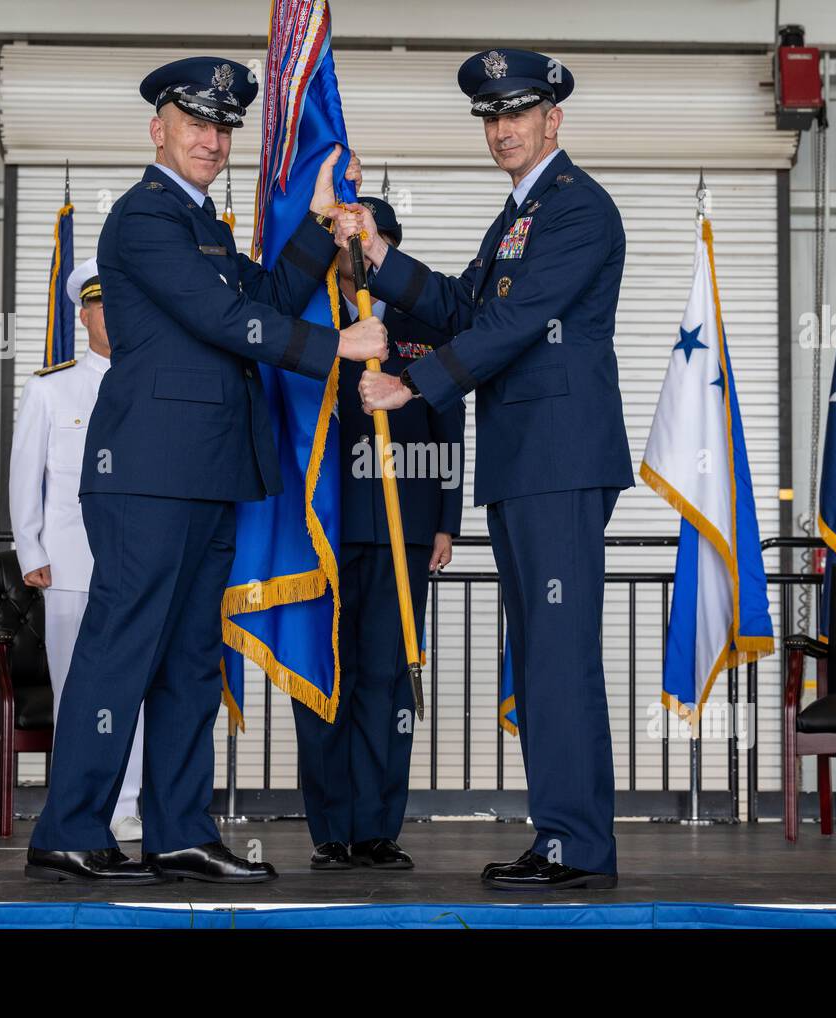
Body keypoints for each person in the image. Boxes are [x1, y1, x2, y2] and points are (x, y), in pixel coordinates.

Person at [25, 56, 386, 885]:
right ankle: (70, 828)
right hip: (150, 472)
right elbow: (230, 320)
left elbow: (262, 291)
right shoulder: (144, 218)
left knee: (192, 659)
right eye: (197, 124)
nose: (213, 140)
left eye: (224, 128)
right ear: (159, 129)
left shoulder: (206, 226)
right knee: (122, 651)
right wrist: (341, 346)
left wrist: (320, 223)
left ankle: (178, 830)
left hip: (209, 471)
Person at [355, 49, 632, 889]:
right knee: (542, 653)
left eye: (518, 112)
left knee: (558, 655)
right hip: (526, 462)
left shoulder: (577, 209)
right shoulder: (518, 215)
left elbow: (508, 327)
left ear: (555, 118)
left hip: (560, 459)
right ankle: (561, 837)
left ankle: (575, 844)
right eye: (490, 116)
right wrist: (375, 255)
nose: (503, 127)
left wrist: (413, 382)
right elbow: (461, 308)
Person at [294, 196, 465, 872]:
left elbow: (449, 421)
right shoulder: (309, 320)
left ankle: (377, 829)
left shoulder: (425, 319)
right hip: (325, 528)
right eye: (351, 239)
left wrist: (446, 522)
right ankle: (331, 829)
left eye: (376, 242)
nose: (361, 253)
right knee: (326, 676)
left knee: (389, 681)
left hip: (405, 526)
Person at [9, 258, 144, 844]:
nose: (112, 317)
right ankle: (77, 805)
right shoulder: (50, 387)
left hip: (139, 564)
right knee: (74, 689)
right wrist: (28, 548)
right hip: (67, 563)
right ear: (83, 314)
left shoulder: (150, 382)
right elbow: (25, 475)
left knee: (133, 689)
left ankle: (128, 805)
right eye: (101, 306)